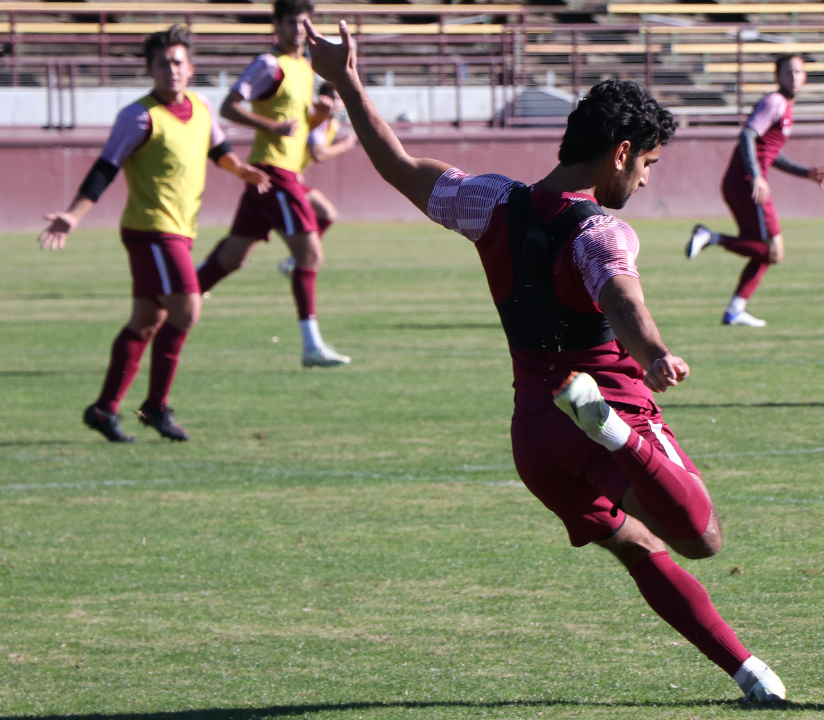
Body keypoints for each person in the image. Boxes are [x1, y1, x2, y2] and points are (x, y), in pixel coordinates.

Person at [303, 19, 788, 703]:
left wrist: (345, 79)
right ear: (621, 154)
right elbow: (620, 297)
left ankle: (750, 674)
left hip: (533, 433)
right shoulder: (600, 229)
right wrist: (654, 354)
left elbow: (396, 166)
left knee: (637, 546)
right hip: (604, 408)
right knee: (700, 536)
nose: (647, 180)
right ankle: (616, 433)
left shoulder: (493, 201)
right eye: (648, 164)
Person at [37, 25, 270, 443]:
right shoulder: (140, 116)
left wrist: (242, 171)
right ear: (150, 69)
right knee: (187, 310)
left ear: (190, 68)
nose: (171, 70)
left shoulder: (200, 108)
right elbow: (106, 167)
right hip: (151, 231)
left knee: (146, 322)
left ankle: (104, 409)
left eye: (178, 62)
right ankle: (154, 408)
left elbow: (220, 151)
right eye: (163, 64)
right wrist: (73, 214)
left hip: (180, 231)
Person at [194, 0, 351, 368]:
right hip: (275, 172)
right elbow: (229, 106)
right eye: (291, 22)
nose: (298, 29)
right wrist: (271, 127)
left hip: (282, 173)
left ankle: (177, 297)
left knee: (233, 256)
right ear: (276, 26)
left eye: (304, 22)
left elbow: (296, 127)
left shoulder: (305, 68)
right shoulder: (269, 65)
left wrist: (317, 118)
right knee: (309, 255)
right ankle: (311, 346)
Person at [685, 54, 824, 327]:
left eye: (799, 72)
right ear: (777, 76)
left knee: (763, 250)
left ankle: (735, 310)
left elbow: (770, 154)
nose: (794, 77)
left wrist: (805, 173)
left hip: (744, 182)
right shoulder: (774, 102)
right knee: (774, 251)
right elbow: (747, 136)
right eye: (789, 72)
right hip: (746, 183)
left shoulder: (785, 107)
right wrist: (755, 176)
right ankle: (710, 237)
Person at [278, 80, 359, 277]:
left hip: (293, 176)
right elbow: (318, 153)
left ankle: (299, 256)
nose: (335, 102)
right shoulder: (318, 120)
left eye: (339, 99)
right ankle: (299, 257)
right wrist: (346, 145)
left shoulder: (331, 124)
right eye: (332, 98)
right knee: (326, 213)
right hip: (282, 175)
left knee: (327, 214)